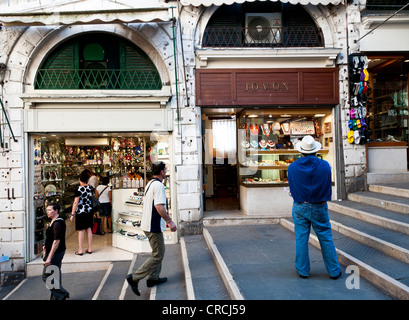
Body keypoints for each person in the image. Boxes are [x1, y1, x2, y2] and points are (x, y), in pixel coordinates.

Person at [287, 135, 341, 280]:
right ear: (315, 151)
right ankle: (334, 271)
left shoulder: (292, 167)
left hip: (300, 205)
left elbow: (292, 186)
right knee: (325, 237)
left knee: (301, 238)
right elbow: (327, 184)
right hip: (319, 205)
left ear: (301, 151)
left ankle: (303, 270)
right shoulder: (324, 165)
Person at [126, 161, 177, 296]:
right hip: (153, 226)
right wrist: (170, 221)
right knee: (158, 254)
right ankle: (134, 277)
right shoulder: (159, 186)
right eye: (165, 170)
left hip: (148, 224)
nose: (165, 172)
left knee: (158, 251)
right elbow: (159, 207)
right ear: (161, 172)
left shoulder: (150, 183)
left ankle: (153, 278)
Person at [42, 203, 69, 300]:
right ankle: (56, 297)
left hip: (55, 253)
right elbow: (51, 238)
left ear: (56, 210)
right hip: (54, 252)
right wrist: (46, 245)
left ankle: (62, 294)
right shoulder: (53, 221)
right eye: (47, 210)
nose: (47, 212)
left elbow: (57, 241)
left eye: (49, 210)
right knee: (54, 274)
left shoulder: (57, 223)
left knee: (46, 275)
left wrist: (49, 257)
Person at [70, 170, 94, 255]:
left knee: (81, 231)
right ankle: (90, 248)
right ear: (87, 180)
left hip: (81, 212)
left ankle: (80, 250)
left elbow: (76, 202)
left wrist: (72, 214)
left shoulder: (78, 189)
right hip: (89, 211)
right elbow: (91, 198)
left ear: (79, 179)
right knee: (89, 229)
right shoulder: (90, 188)